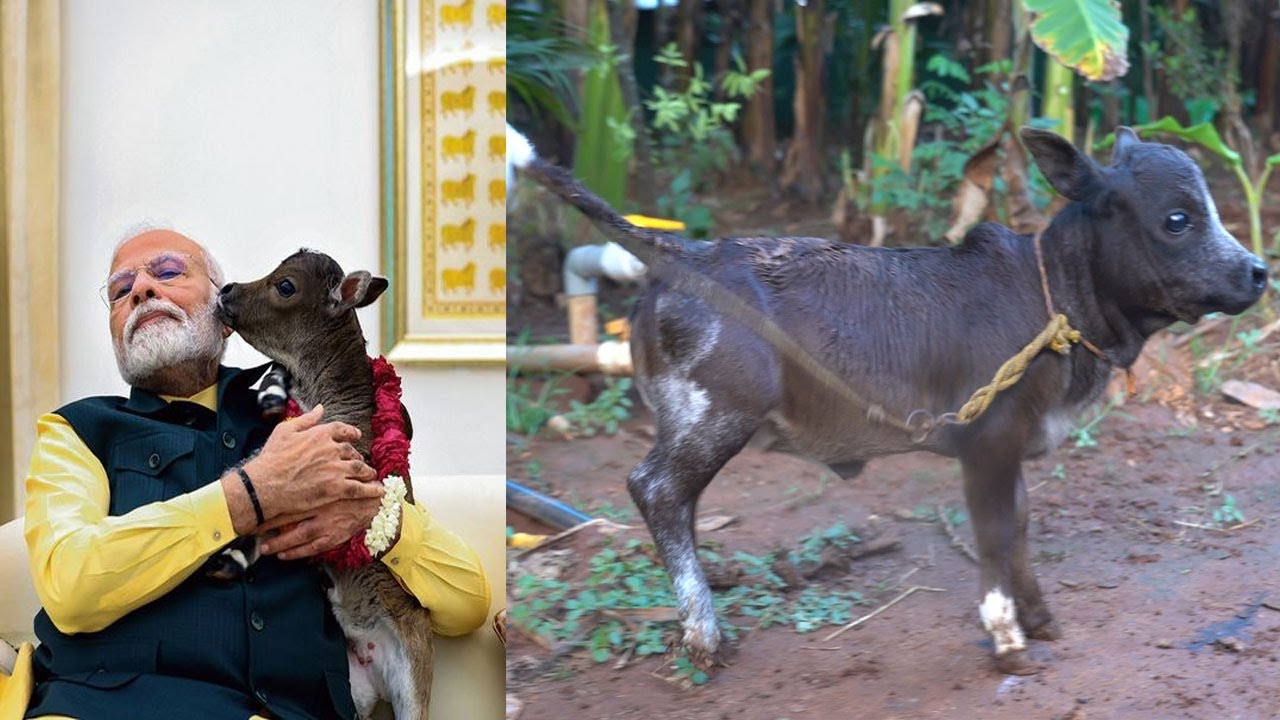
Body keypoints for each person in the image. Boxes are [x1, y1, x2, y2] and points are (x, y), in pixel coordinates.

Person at [15, 228, 491, 719]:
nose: (141, 288)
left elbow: (466, 604)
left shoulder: (311, 417)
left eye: (168, 272)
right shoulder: (77, 431)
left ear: (225, 318)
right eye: (120, 290)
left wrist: (375, 520)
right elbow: (70, 586)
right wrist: (247, 497)